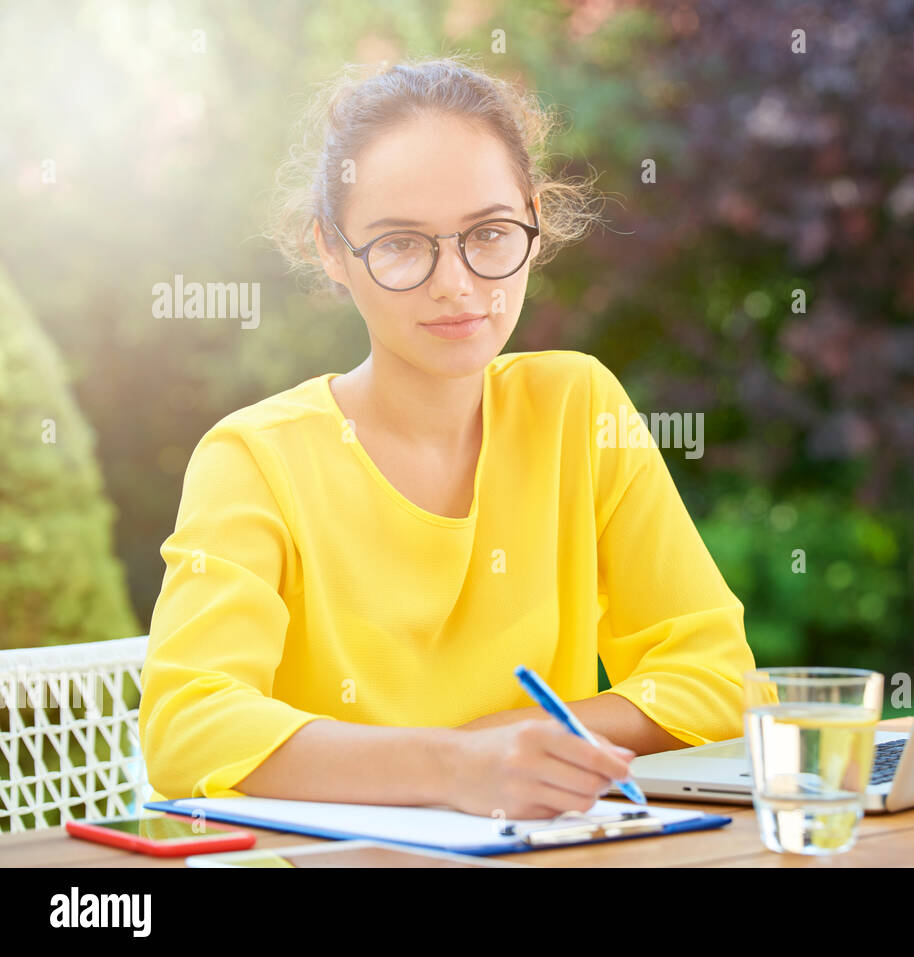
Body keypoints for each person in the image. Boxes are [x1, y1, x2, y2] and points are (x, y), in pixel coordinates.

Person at [139, 55, 756, 819]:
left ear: (533, 217)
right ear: (332, 250)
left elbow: (717, 677)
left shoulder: (577, 405)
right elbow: (187, 726)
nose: (457, 284)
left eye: (489, 233)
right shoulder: (255, 460)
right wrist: (454, 766)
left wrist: (514, 743)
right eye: (401, 244)